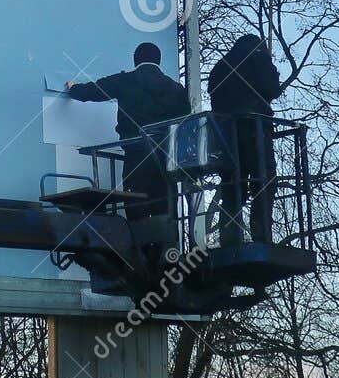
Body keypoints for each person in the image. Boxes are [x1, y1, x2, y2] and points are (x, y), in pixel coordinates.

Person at [65, 41, 190, 222]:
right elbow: (186, 119)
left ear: (135, 60)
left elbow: (95, 90)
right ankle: (166, 247)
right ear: (159, 60)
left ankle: (140, 244)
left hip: (136, 154)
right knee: (165, 208)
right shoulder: (175, 88)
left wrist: (74, 88)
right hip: (166, 158)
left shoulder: (126, 80)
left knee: (136, 204)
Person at [207, 34, 283, 243]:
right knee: (263, 180)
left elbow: (215, 95)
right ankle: (261, 233)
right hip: (255, 131)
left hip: (227, 136)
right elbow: (272, 89)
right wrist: (271, 68)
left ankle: (229, 236)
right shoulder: (258, 60)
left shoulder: (220, 67)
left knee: (232, 184)